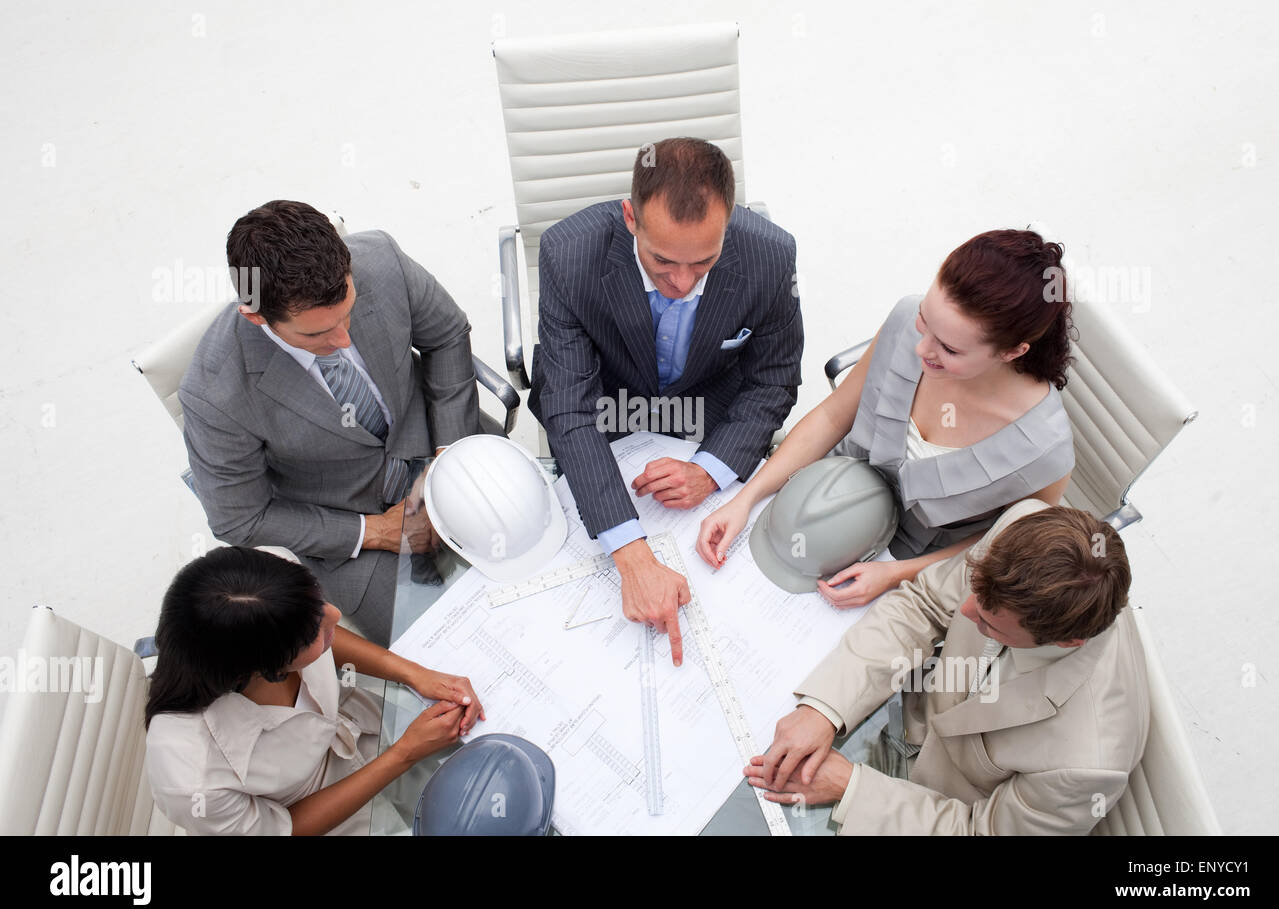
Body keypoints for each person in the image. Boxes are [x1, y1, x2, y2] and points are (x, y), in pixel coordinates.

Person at [530, 137, 804, 665]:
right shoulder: (569, 253)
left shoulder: (771, 255)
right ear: (631, 217)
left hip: (707, 416)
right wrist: (632, 557)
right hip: (605, 408)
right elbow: (569, 406)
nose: (681, 283)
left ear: (728, 224)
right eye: (662, 262)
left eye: (703, 263)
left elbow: (773, 380)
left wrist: (711, 468)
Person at [698, 229, 1076, 607]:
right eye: (925, 322)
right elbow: (833, 417)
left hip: (914, 568)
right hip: (822, 500)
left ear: (1012, 352)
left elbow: (1003, 542)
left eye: (949, 349)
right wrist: (745, 501)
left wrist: (895, 576)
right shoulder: (904, 318)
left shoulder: (1045, 451)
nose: (921, 349)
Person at [744, 500, 1148, 835]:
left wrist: (851, 788)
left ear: (1065, 641)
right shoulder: (1022, 524)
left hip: (926, 807)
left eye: (990, 623)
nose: (965, 610)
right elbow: (924, 604)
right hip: (893, 717)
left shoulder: (1087, 763)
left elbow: (980, 832)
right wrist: (824, 708)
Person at [181, 200, 482, 642]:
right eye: (316, 333)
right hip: (350, 526)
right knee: (453, 648)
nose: (342, 340)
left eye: (347, 313)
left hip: (437, 441)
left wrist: (448, 457)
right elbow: (240, 520)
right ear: (255, 314)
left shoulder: (381, 259)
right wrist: (378, 531)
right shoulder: (213, 392)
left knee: (562, 558)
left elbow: (448, 336)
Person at [144, 546, 485, 836]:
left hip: (359, 725)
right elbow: (286, 829)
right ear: (265, 669)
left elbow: (328, 634)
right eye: (312, 634)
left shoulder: (271, 577)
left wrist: (413, 674)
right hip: (320, 811)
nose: (335, 614)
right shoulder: (192, 780)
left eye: (318, 600)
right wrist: (404, 753)